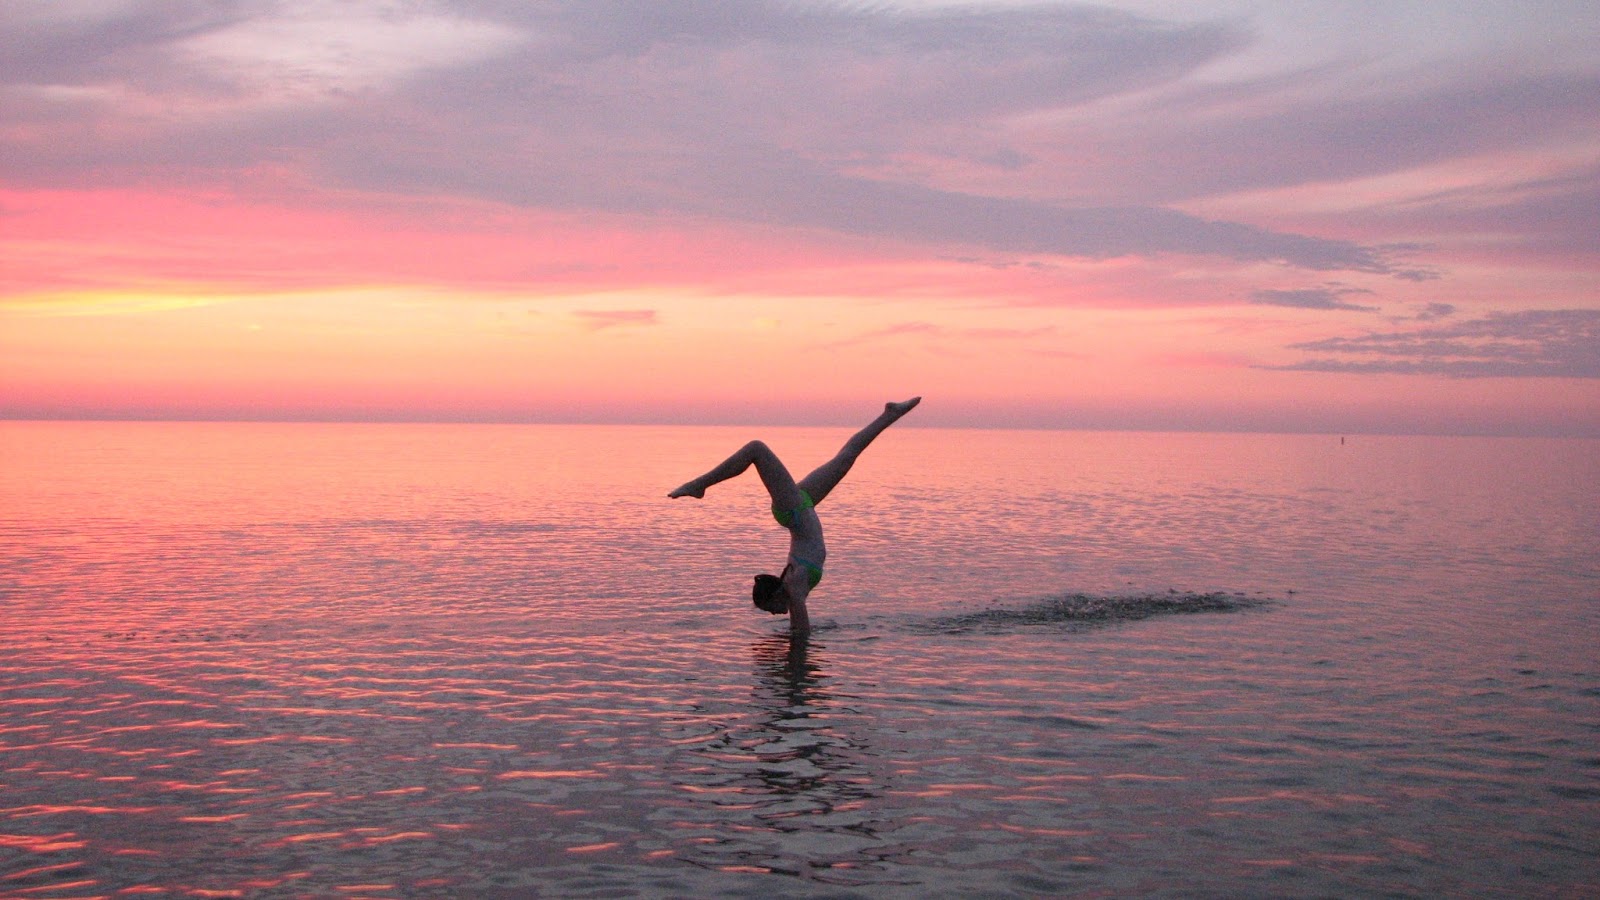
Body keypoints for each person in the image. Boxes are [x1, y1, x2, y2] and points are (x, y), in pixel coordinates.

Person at [669, 398, 921, 636]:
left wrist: (796, 655)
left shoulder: (794, 586)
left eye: (770, 608)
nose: (774, 614)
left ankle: (699, 485)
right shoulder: (792, 586)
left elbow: (801, 633)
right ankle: (889, 414)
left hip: (794, 511)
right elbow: (799, 628)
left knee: (756, 449)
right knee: (846, 456)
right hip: (804, 506)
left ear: (775, 595)